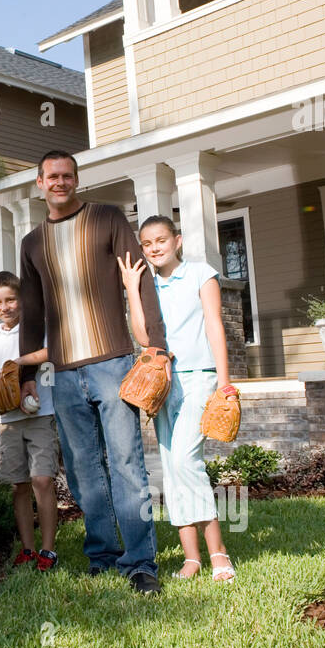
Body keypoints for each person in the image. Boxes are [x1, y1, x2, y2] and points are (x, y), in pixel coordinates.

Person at [18, 150, 170, 594]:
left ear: (76, 180)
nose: (60, 182)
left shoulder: (108, 218)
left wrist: (156, 344)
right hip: (63, 373)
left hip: (113, 362)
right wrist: (28, 373)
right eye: (52, 176)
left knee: (126, 465)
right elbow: (31, 311)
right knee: (85, 471)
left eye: (67, 175)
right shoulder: (31, 243)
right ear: (39, 183)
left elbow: (140, 278)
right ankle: (102, 557)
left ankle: (140, 563)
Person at [118, 215, 237, 582]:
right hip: (161, 385)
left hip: (199, 378)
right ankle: (192, 558)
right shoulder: (148, 283)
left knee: (187, 462)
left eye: (161, 240)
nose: (155, 248)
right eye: (147, 243)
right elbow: (143, 336)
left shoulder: (202, 274)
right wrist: (131, 288)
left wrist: (225, 381)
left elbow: (215, 324)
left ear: (178, 240)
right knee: (171, 466)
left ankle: (219, 553)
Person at [0, 271, 60, 571]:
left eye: (11, 299)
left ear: (21, 299)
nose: (5, 307)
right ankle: (27, 549)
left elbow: (50, 351)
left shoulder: (34, 327)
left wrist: (19, 362)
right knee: (19, 486)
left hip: (40, 415)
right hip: (8, 422)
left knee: (42, 479)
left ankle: (48, 550)